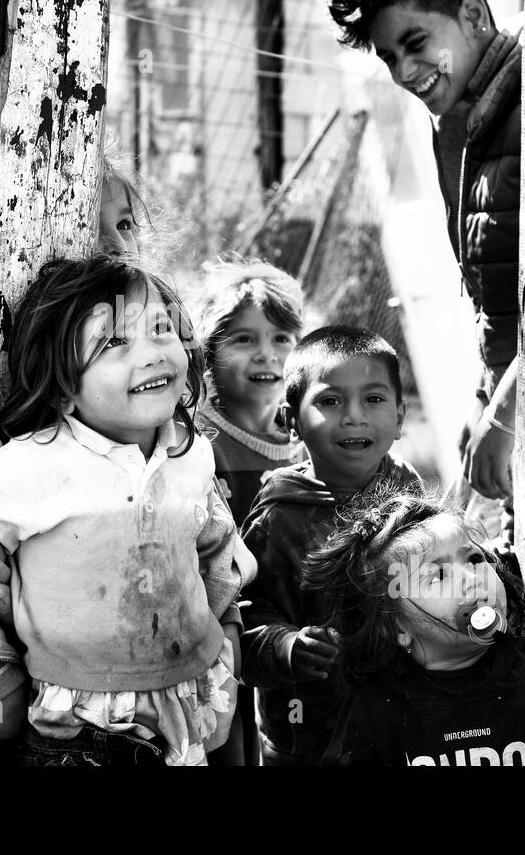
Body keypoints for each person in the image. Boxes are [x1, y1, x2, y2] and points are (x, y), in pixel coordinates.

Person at [0, 256, 256, 766]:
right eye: (113, 343)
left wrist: (226, 631)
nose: (153, 353)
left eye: (161, 330)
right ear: (64, 385)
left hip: (191, 713)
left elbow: (215, 546)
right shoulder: (33, 466)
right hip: (82, 735)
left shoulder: (190, 454)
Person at [329, 0, 521, 540]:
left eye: (415, 44)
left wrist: (508, 412)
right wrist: (484, 400)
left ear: (472, 14)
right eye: (389, 58)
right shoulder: (458, 123)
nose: (406, 73)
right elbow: (500, 292)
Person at [304, 493, 525, 766]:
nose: (472, 578)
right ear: (395, 627)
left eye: (474, 559)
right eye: (438, 575)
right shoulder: (375, 715)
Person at [241, 325, 423, 765]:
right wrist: (287, 647)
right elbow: (241, 626)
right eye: (330, 401)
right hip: (309, 739)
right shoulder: (279, 519)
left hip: (402, 725)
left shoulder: (407, 490)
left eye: (374, 399)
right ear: (293, 421)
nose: (354, 416)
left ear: (400, 418)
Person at [192, 256, 308, 765]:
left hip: (289, 634)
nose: (267, 355)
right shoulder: (197, 444)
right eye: (243, 339)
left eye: (282, 338)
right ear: (210, 352)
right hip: (221, 636)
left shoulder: (309, 438)